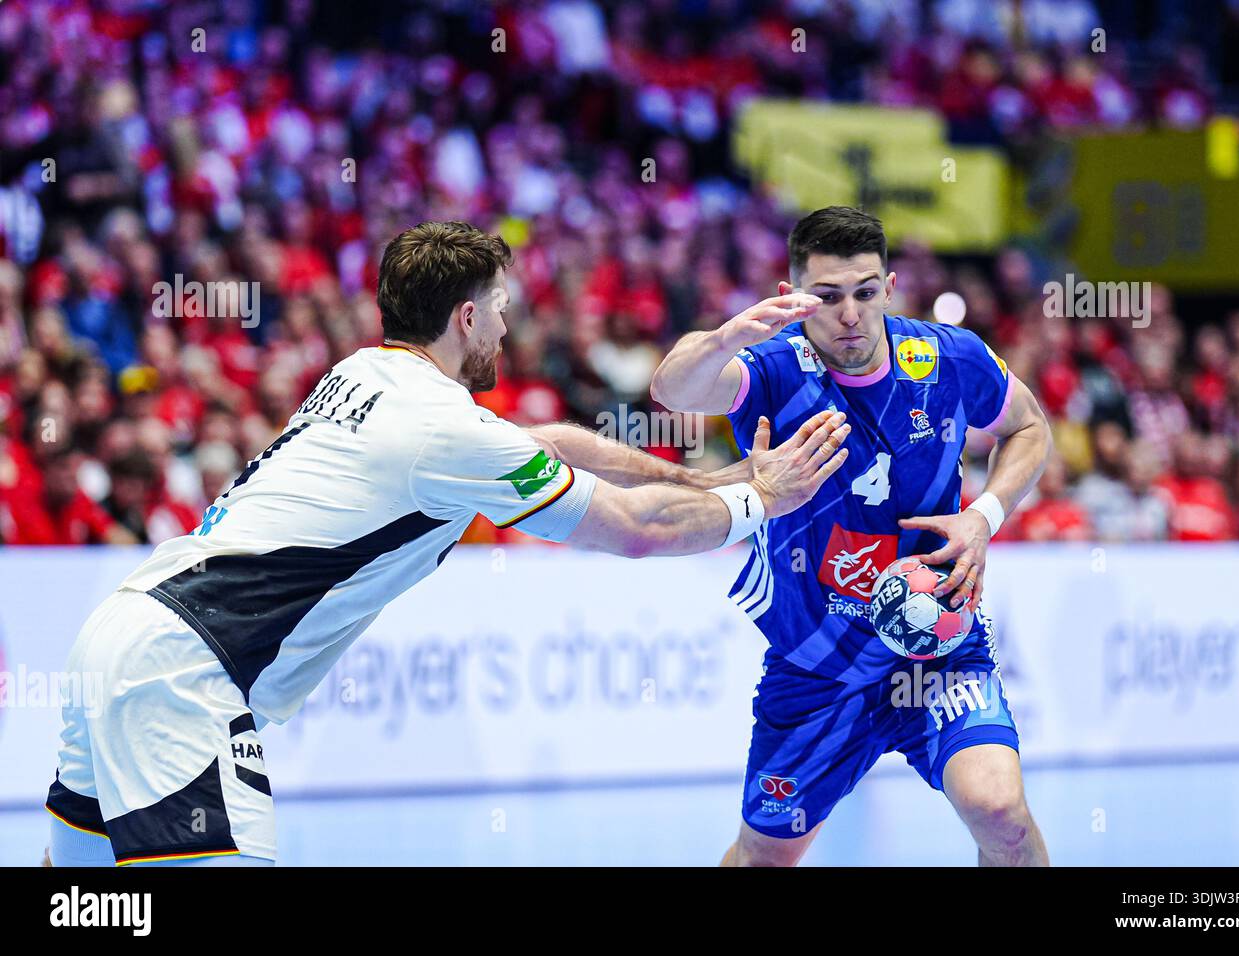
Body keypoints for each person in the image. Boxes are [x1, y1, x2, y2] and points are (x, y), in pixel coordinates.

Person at [44, 220, 851, 867]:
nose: (507, 323)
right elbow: (637, 534)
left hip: (120, 634)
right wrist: (763, 499)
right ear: (467, 316)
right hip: (187, 679)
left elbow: (553, 444)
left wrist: (711, 481)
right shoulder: (445, 431)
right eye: (500, 306)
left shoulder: (362, 375)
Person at [651, 206, 1053, 866]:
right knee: (764, 854)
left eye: (865, 293)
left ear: (889, 287)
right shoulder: (775, 369)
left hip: (936, 647)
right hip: (816, 665)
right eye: (828, 297)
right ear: (792, 299)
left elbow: (1029, 425)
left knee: (999, 811)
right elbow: (673, 389)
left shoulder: (948, 358)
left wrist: (985, 514)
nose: (849, 315)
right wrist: (727, 336)